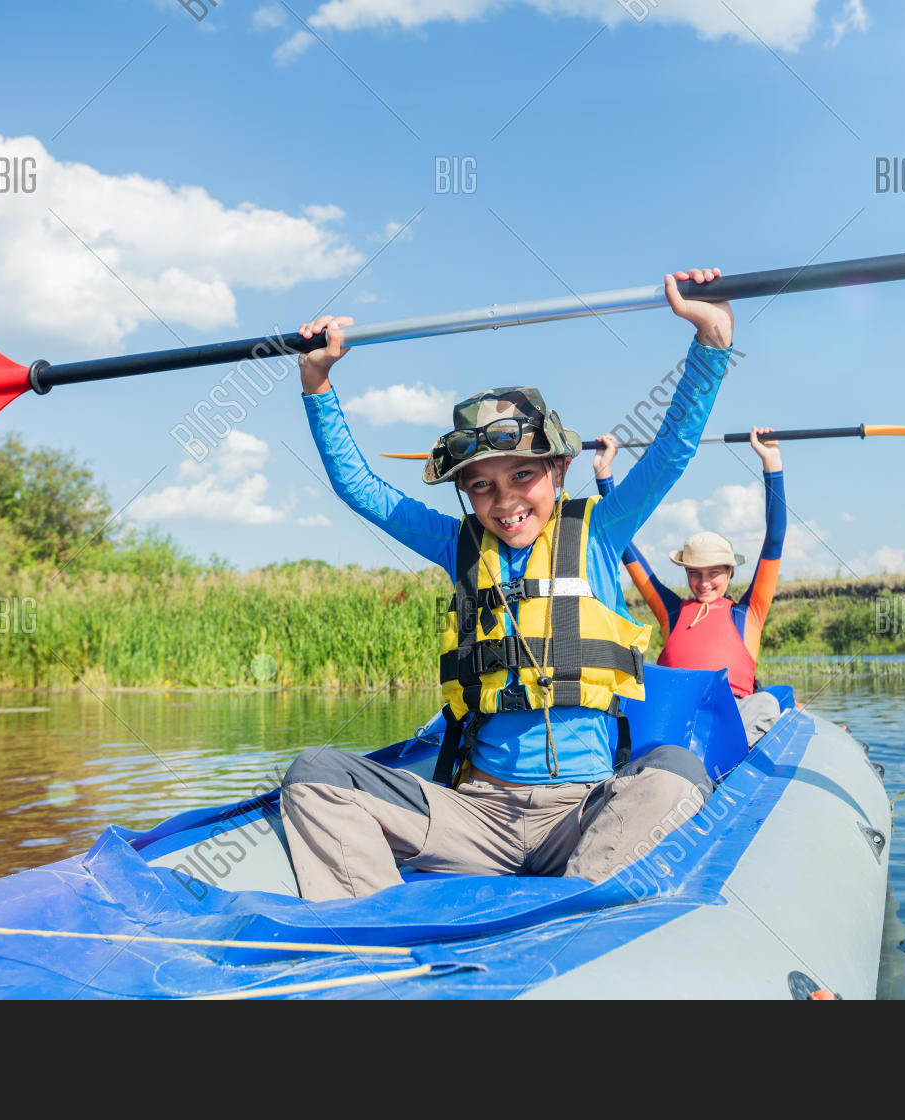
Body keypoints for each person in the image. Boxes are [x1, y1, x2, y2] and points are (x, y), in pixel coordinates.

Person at [277, 269, 737, 902]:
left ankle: (579, 914)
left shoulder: (601, 531)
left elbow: (673, 450)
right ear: (466, 493)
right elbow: (360, 488)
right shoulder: (456, 545)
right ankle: (373, 934)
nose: (506, 501)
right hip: (478, 815)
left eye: (523, 475)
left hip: (582, 817)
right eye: (482, 486)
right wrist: (317, 382)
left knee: (676, 774)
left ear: (559, 468)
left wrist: (710, 340)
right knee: (314, 774)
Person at [593, 426, 786, 745]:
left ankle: (729, 758)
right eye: (694, 573)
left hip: (732, 719)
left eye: (714, 573)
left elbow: (774, 540)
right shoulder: (671, 612)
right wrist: (604, 475)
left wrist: (772, 463)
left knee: (765, 702)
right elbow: (624, 544)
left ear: (729, 572)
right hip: (676, 719)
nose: (704, 582)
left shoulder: (748, 614)